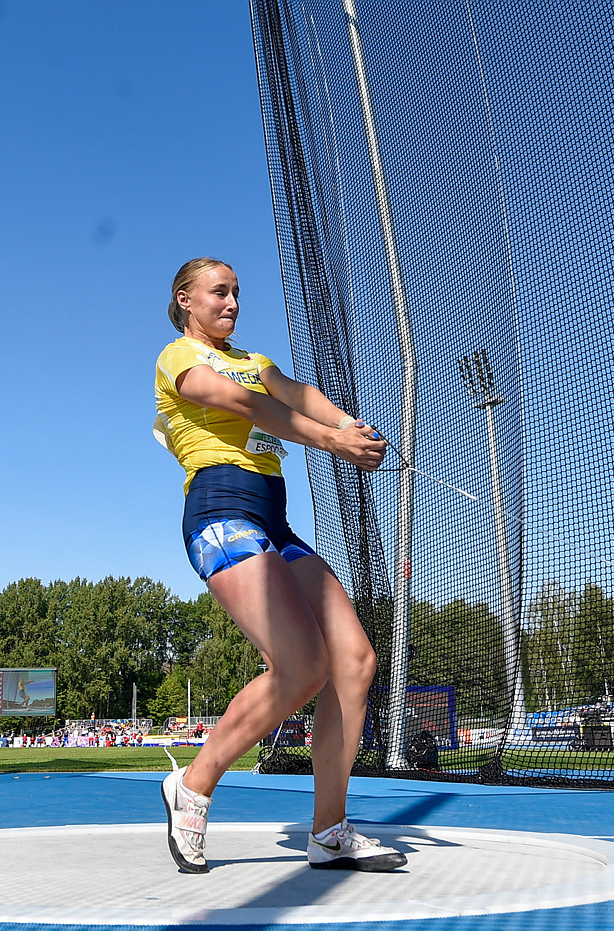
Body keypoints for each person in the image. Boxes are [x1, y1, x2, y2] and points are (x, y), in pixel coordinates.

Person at [153, 257, 405, 874]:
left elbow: (294, 394)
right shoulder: (178, 358)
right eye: (218, 292)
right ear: (185, 300)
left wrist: (349, 426)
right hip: (221, 513)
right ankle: (193, 786)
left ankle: (329, 832)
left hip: (275, 521)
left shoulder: (254, 359)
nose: (232, 303)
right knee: (300, 667)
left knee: (354, 661)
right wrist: (330, 442)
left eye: (237, 292)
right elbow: (246, 406)